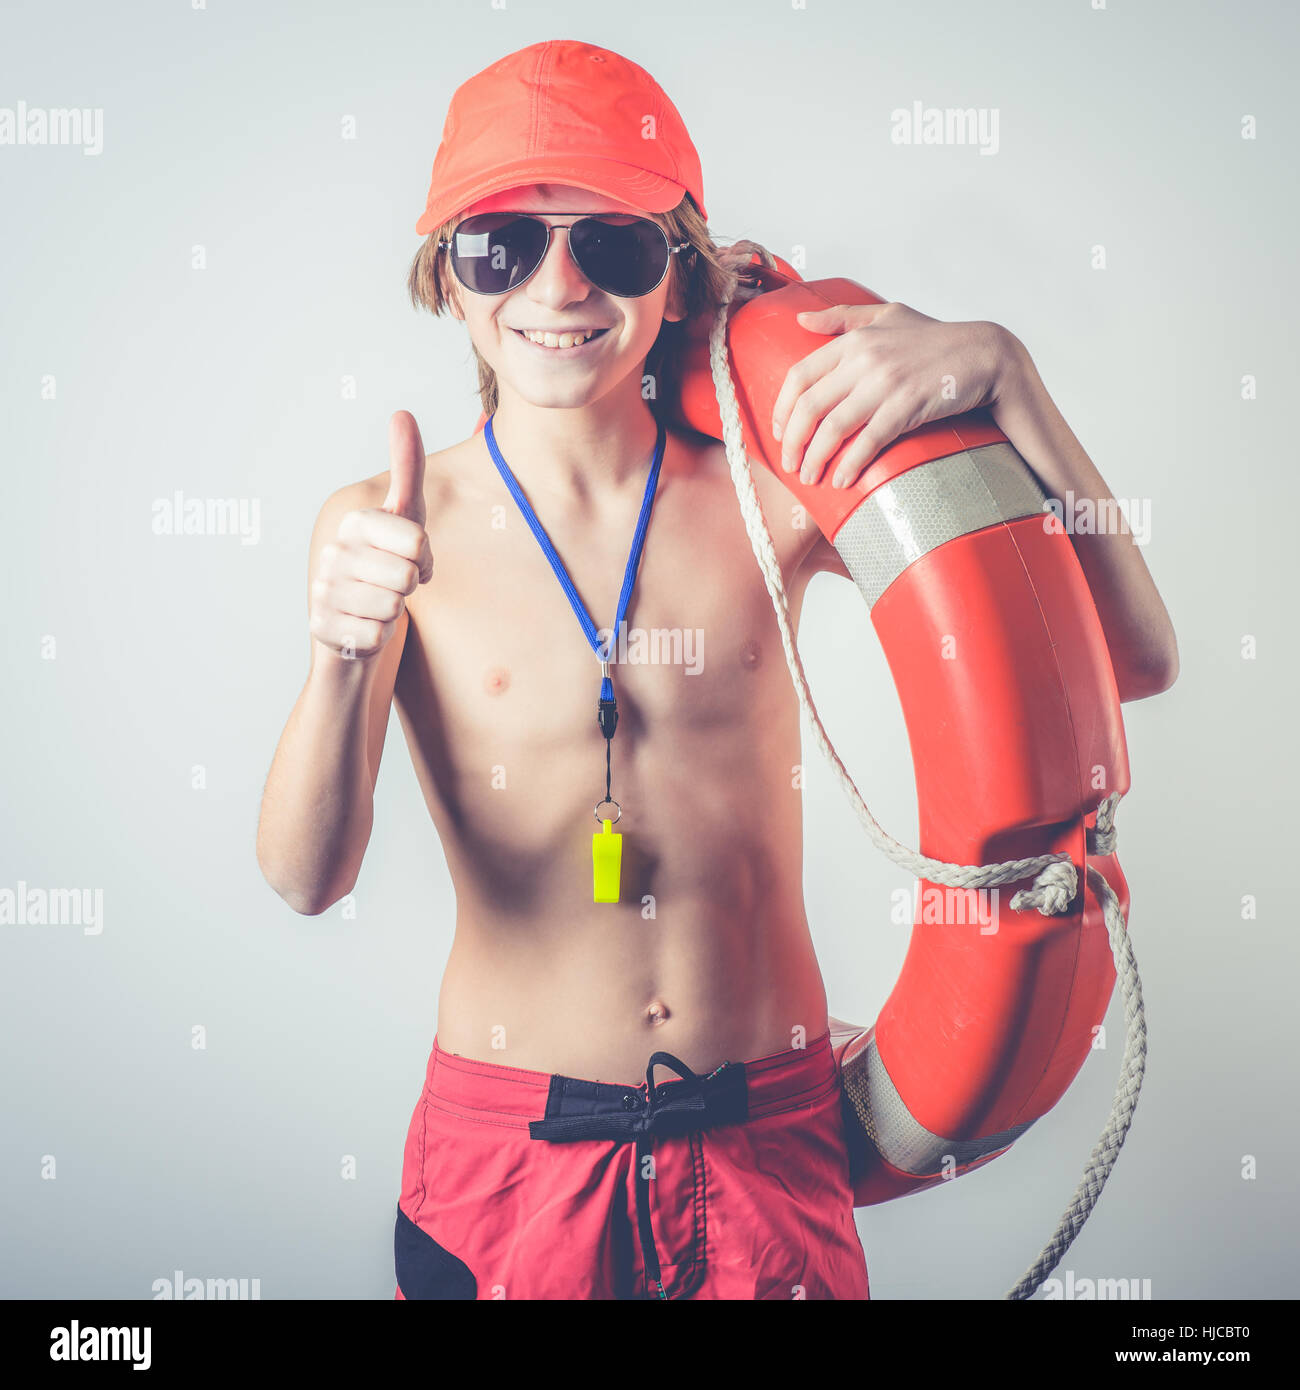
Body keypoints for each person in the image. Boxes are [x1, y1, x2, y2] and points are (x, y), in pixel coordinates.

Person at [255, 39, 1178, 1301]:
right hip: (513, 1150)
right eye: (502, 248)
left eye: (614, 244)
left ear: (679, 273)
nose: (558, 286)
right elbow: (308, 880)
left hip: (763, 1144)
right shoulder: (384, 527)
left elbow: (1134, 658)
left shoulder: (768, 493)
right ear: (447, 281)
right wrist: (337, 654)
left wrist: (1014, 379)